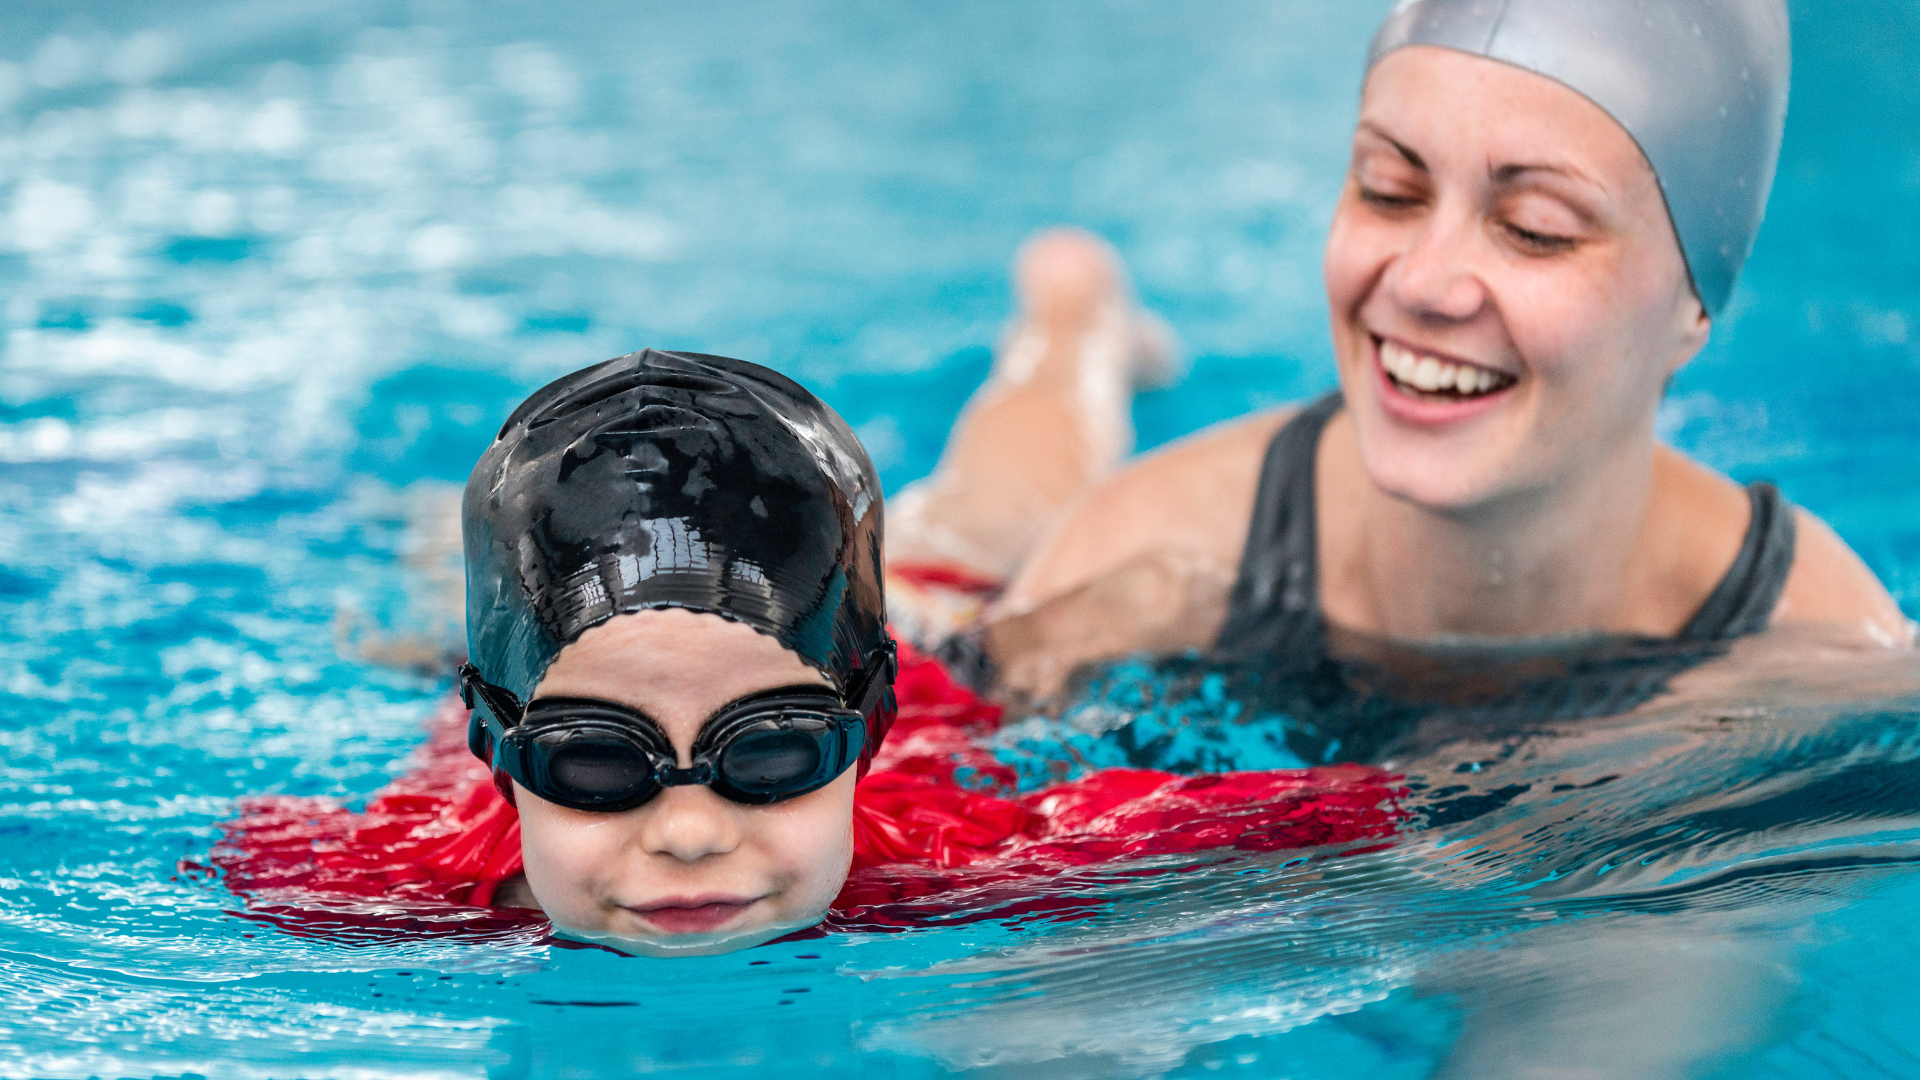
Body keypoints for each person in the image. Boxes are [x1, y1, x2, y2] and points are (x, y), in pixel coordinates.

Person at [948, 0, 1912, 704]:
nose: (1420, 282)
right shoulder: (1145, 555)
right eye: (1388, 189)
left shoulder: (1828, 651)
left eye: (1536, 229)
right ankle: (1070, 321)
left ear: (1694, 306)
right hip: (979, 582)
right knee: (979, 527)